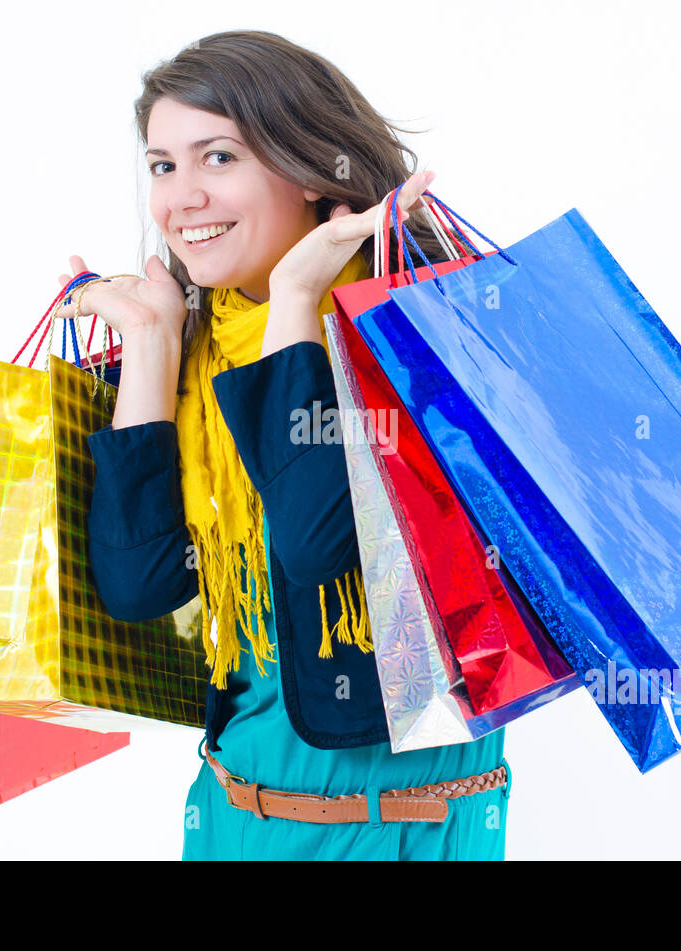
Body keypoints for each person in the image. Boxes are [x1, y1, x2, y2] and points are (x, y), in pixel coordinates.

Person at [53, 29, 510, 860]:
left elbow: (315, 542)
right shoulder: (201, 350)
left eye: (217, 158)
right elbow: (140, 585)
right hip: (230, 812)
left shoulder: (413, 332)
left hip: (397, 822)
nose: (181, 197)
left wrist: (299, 299)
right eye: (163, 166)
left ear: (308, 168)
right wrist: (152, 349)